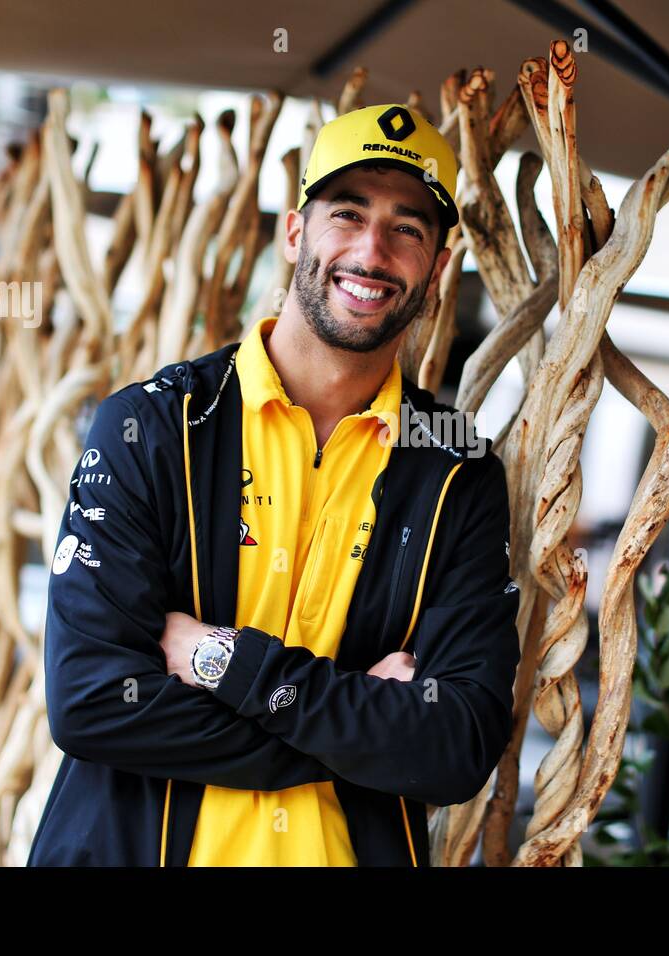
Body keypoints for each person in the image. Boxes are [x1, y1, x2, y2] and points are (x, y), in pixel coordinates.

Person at [27, 103, 521, 866]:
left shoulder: (458, 474)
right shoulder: (154, 428)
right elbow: (93, 703)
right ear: (295, 232)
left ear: (438, 267)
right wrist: (357, 717)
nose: (371, 250)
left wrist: (227, 664)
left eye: (408, 229)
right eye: (346, 214)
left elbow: (453, 746)